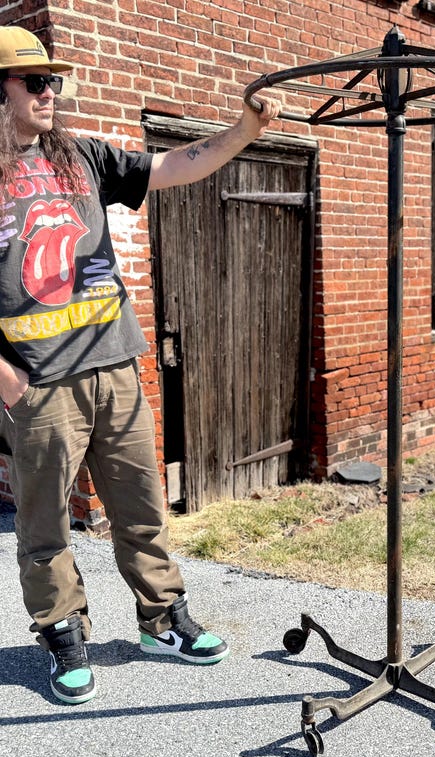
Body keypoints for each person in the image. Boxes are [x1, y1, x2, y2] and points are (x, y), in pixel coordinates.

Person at [0, 25, 281, 704]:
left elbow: (171, 166)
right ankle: (63, 634)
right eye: (35, 82)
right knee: (44, 527)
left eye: (53, 81)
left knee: (141, 508)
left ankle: (161, 619)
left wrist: (243, 130)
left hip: (115, 367)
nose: (50, 92)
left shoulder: (82, 156)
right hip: (38, 383)